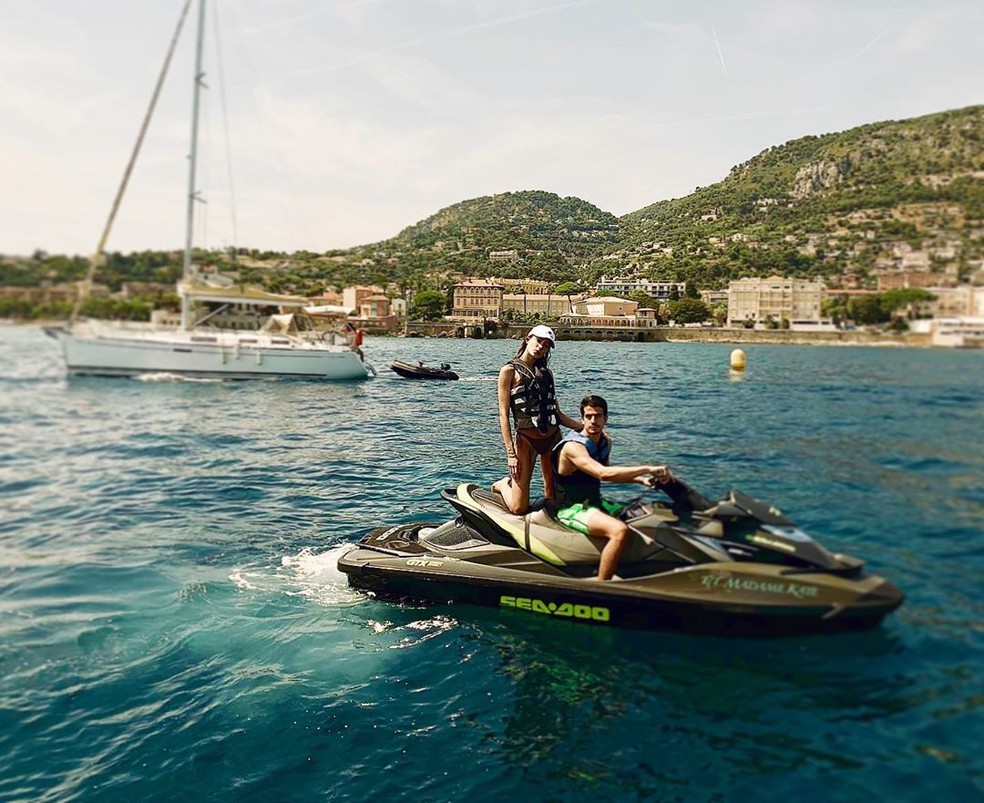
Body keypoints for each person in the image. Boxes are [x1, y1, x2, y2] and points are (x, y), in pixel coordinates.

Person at [552, 394, 672, 581]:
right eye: (589, 416)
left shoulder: (604, 442)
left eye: (598, 416)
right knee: (619, 531)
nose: (594, 421)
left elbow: (608, 472)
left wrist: (642, 480)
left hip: (594, 502)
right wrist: (648, 468)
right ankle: (603, 584)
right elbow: (602, 474)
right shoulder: (573, 448)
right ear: (582, 419)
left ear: (606, 418)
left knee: (647, 515)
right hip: (571, 509)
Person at [492, 325, 580, 514]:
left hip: (553, 439)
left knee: (553, 499)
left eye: (546, 345)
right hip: (526, 441)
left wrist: (586, 428)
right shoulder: (508, 371)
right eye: (539, 341)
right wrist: (510, 454)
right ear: (527, 339)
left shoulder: (547, 374)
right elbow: (503, 415)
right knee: (518, 507)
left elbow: (558, 414)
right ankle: (502, 485)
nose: (541, 347)